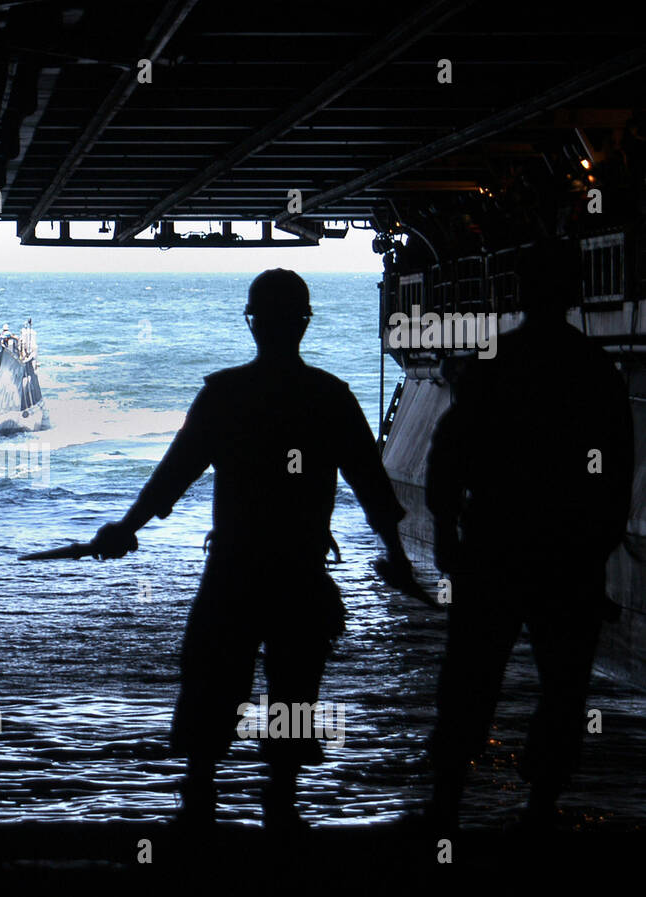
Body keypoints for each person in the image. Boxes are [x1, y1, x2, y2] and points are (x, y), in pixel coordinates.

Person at [94, 269, 414, 829]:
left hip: (234, 571)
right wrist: (399, 560)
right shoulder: (330, 398)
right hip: (300, 574)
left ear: (252, 324)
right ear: (305, 324)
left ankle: (198, 811)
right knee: (294, 692)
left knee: (211, 685)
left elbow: (171, 477)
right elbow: (374, 492)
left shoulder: (225, 395)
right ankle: (281, 812)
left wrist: (126, 528)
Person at [424, 240, 633, 830]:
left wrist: (443, 526)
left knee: (469, 678)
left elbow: (449, 451)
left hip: (493, 547)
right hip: (567, 555)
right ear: (574, 293)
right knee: (564, 687)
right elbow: (614, 468)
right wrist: (599, 544)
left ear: (517, 292)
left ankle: (445, 805)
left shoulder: (492, 365)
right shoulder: (594, 371)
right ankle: (541, 806)